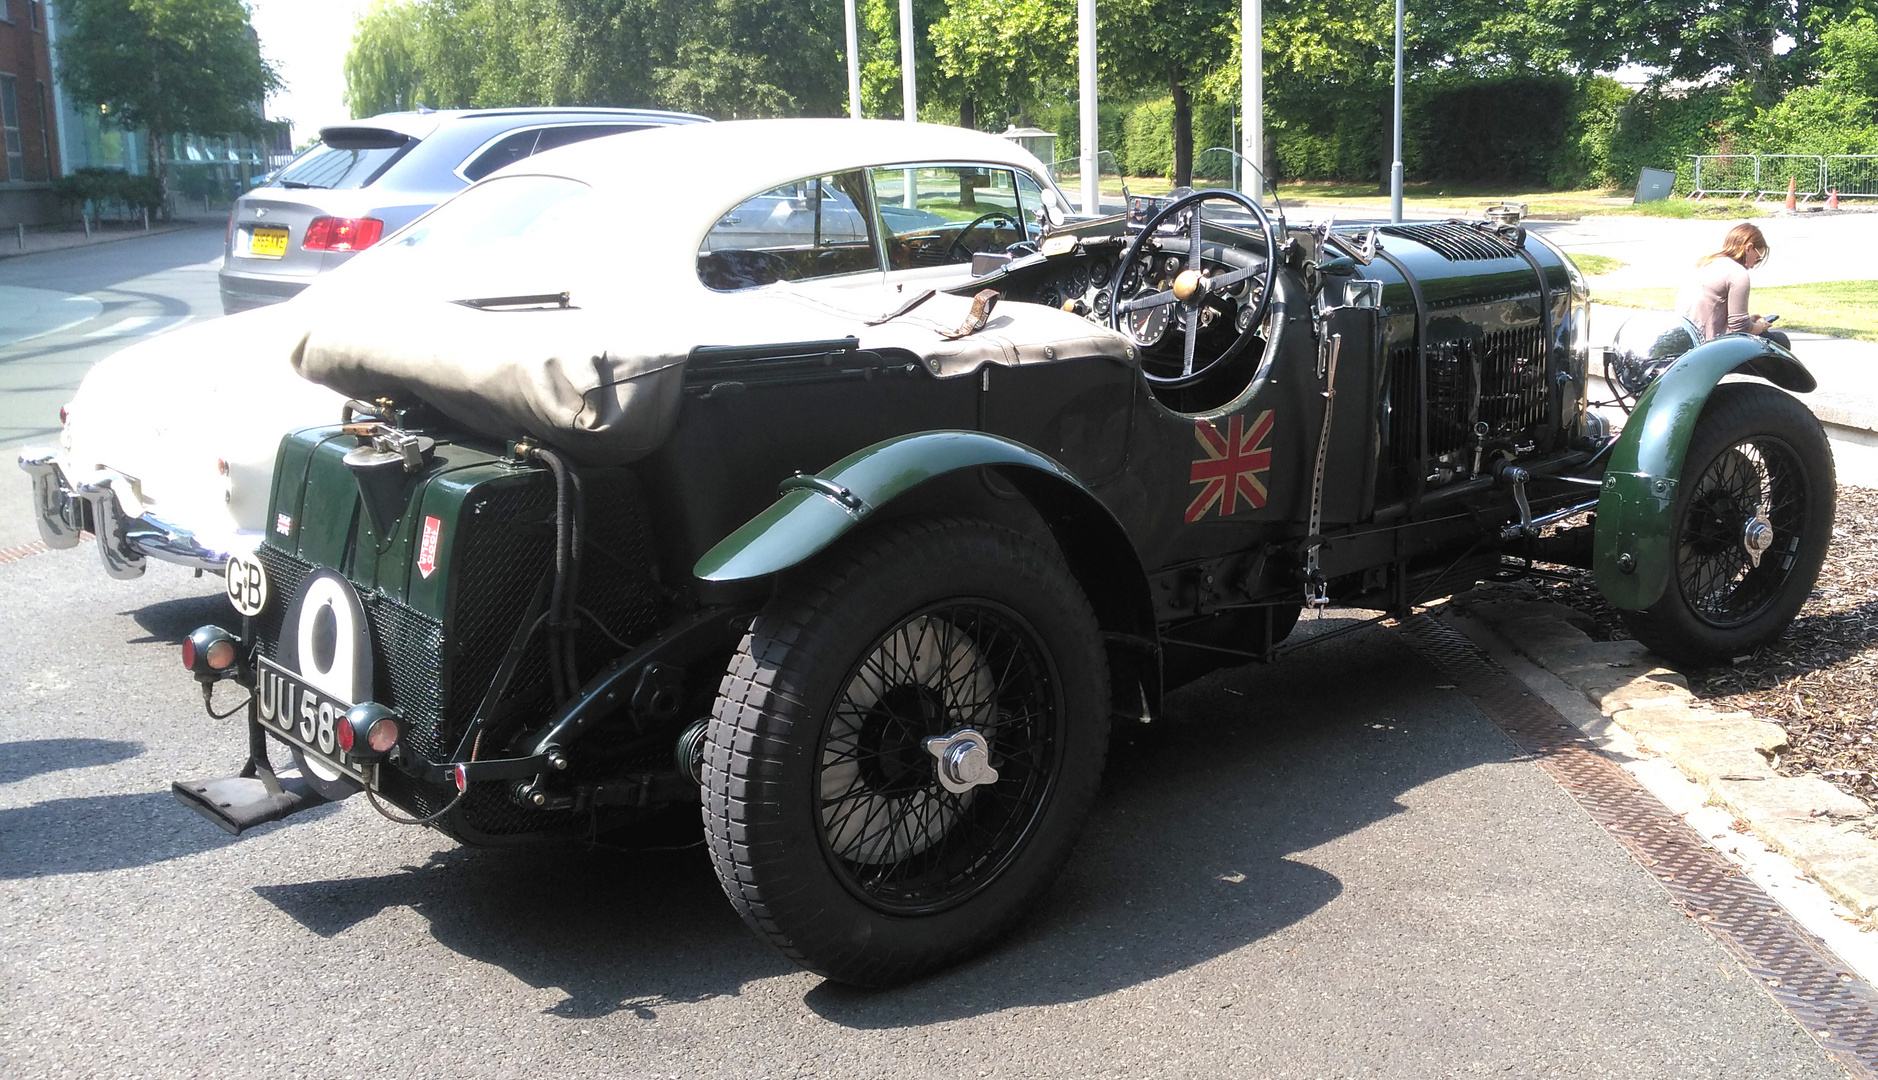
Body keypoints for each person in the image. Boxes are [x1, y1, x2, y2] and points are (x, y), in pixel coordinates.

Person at [1675, 222, 1790, 348]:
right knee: (1780, 340)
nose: (1753, 265)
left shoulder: (1705, 263)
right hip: (1709, 346)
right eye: (1758, 257)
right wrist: (1761, 326)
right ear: (1748, 247)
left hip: (1685, 338)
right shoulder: (1737, 273)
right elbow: (1740, 328)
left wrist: (1750, 321)